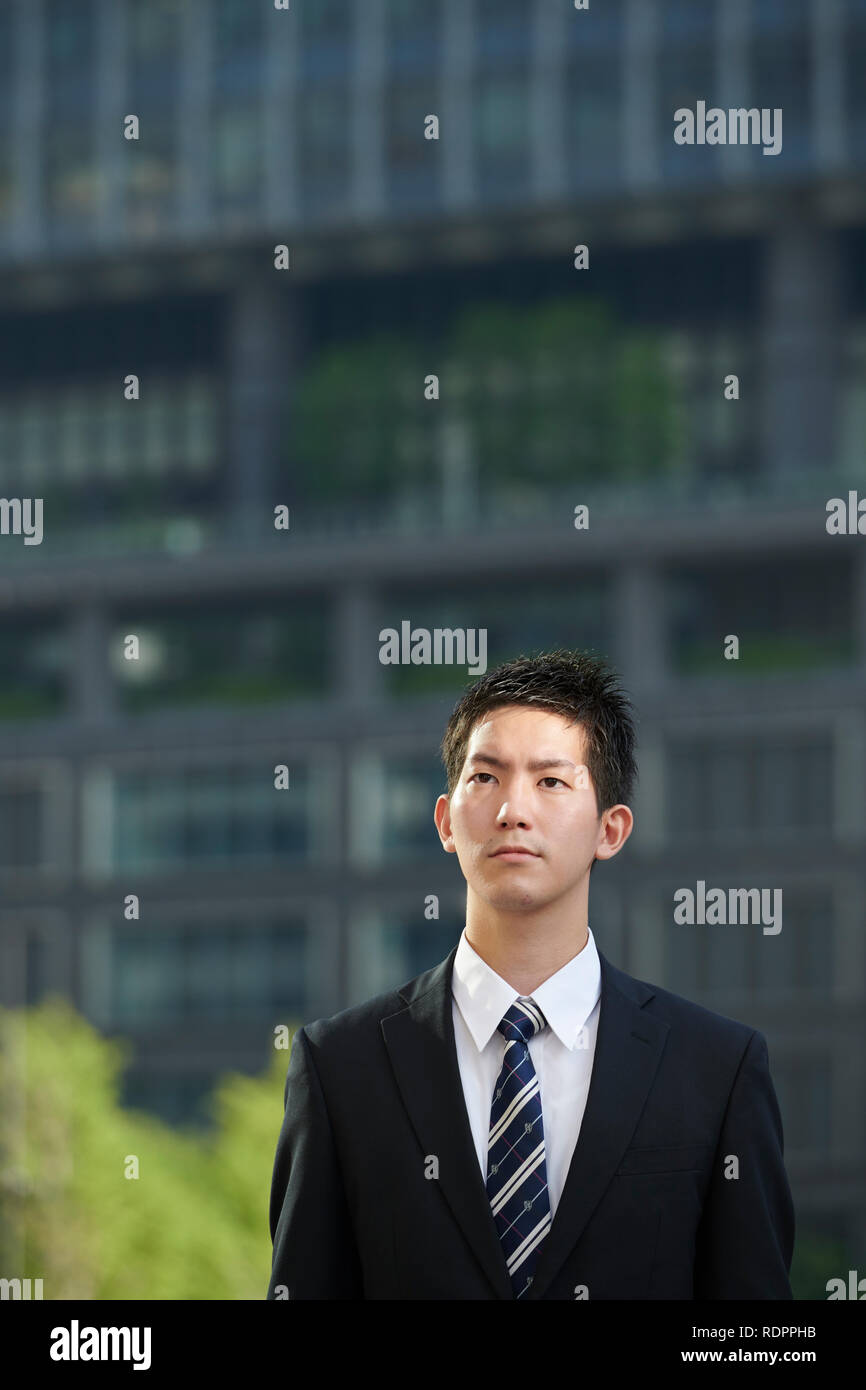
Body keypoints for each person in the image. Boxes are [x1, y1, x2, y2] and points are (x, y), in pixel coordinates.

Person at [267, 649, 795, 1299]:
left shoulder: (716, 1070)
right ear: (445, 822)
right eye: (485, 778)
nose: (513, 810)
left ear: (611, 829)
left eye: (550, 782)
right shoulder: (341, 1065)